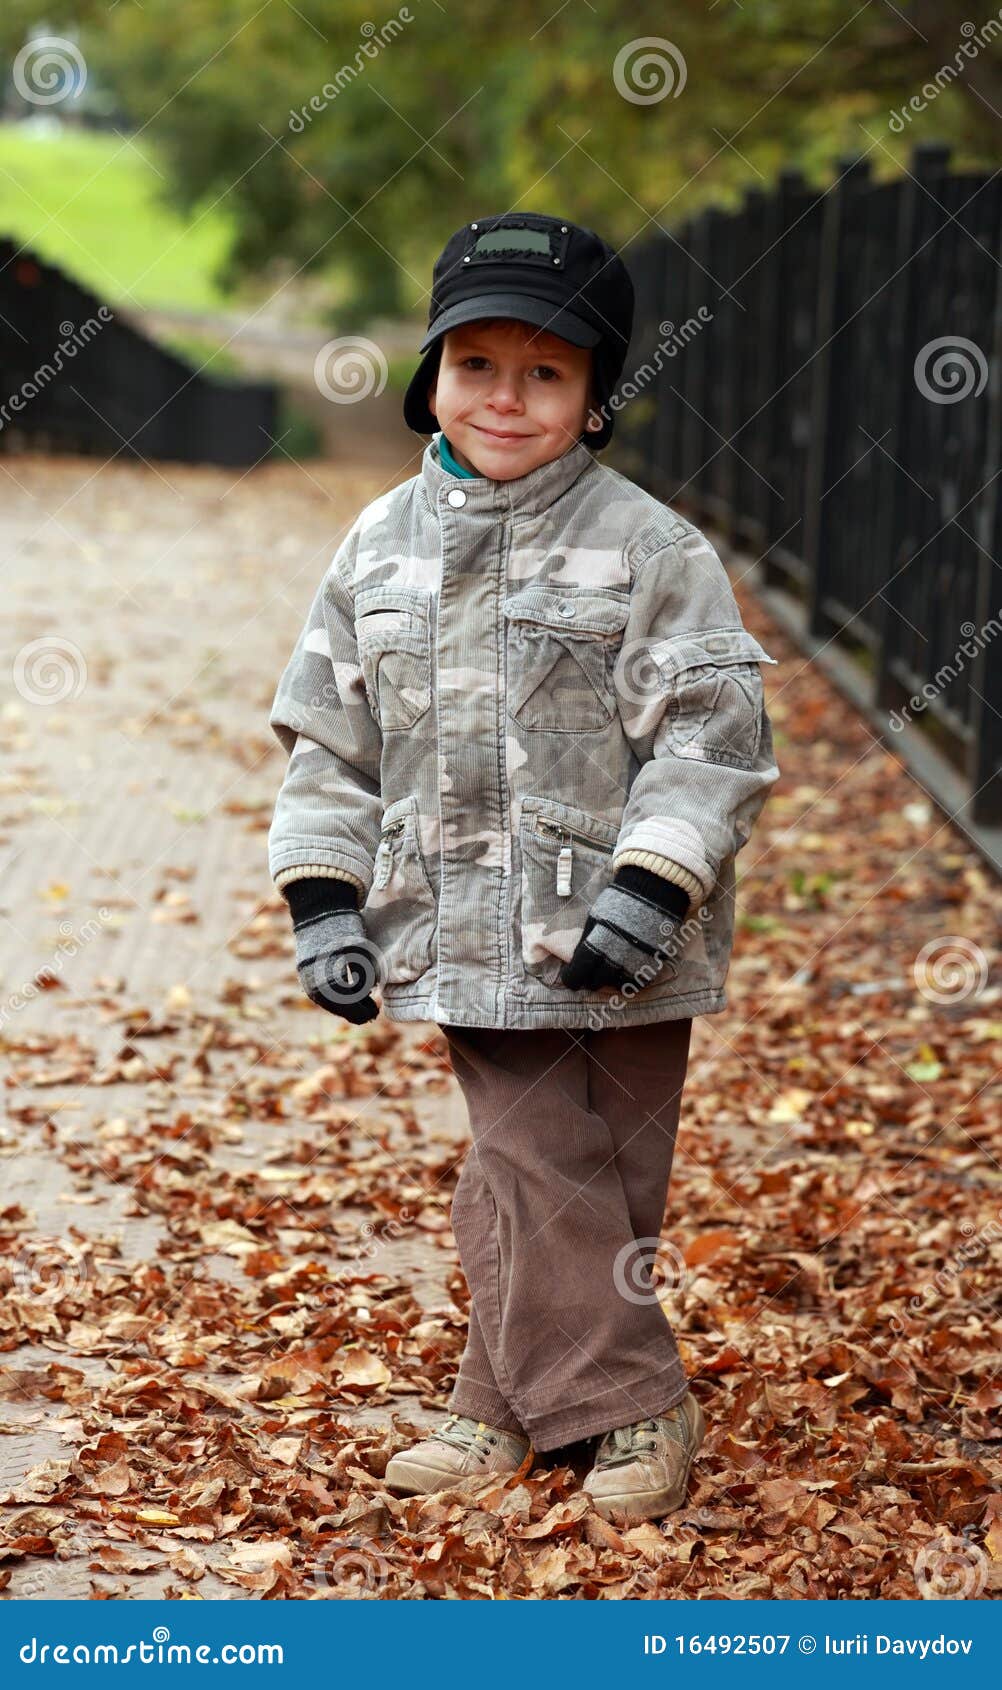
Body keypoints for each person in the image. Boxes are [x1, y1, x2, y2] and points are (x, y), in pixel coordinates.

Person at [266, 213, 781, 1524]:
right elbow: (328, 739)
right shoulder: (375, 548)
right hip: (457, 925)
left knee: (599, 1180)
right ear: (429, 376)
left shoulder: (651, 549)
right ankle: (636, 1402)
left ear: (594, 397)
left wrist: (651, 882)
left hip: (623, 930)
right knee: (532, 1153)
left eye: (545, 373)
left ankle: (493, 1402)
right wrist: (323, 896)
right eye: (477, 365)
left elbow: (709, 739)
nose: (506, 397)